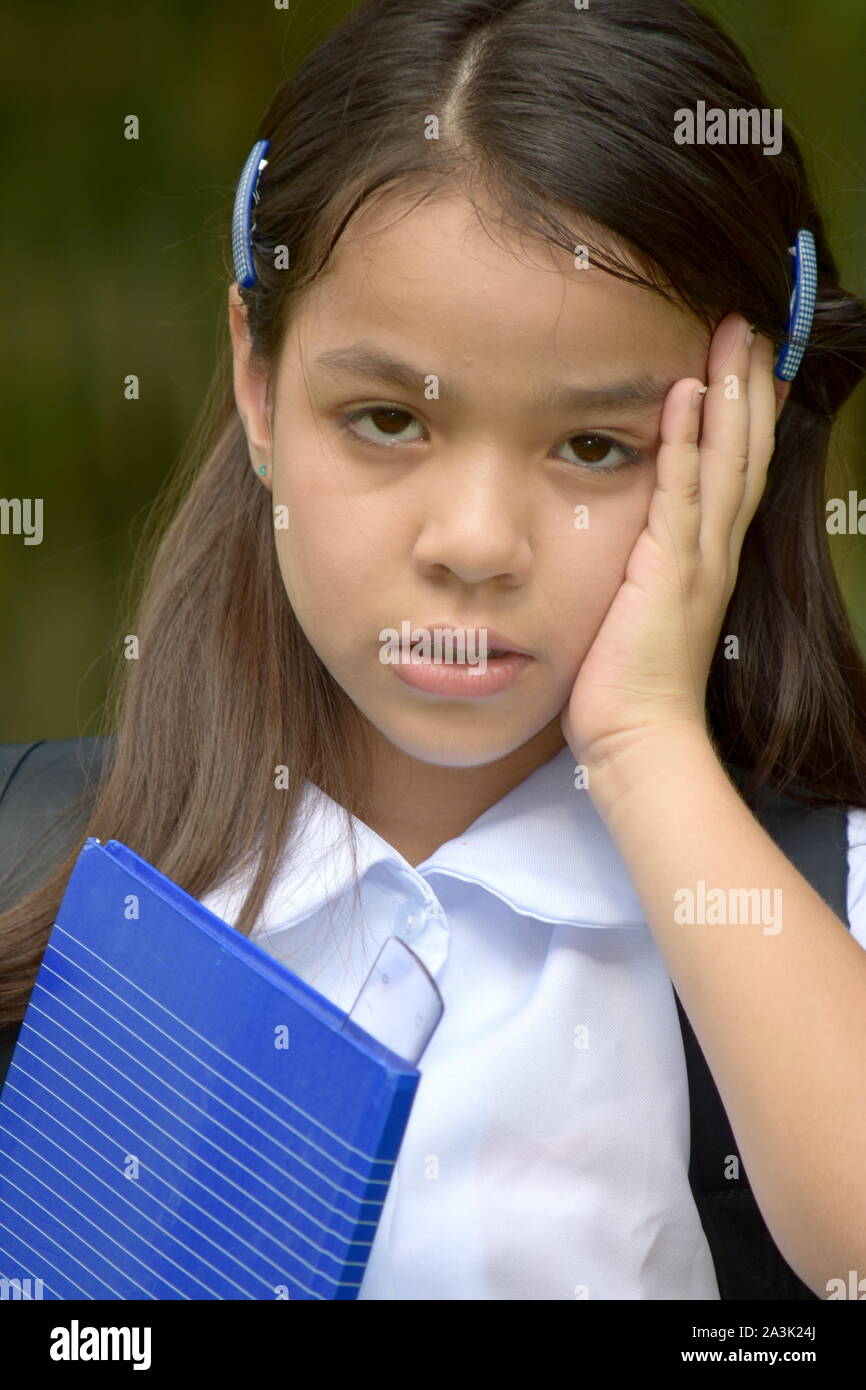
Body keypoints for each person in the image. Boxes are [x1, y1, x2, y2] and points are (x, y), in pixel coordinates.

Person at [2, 0, 866, 1300]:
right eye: (387, 417)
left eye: (593, 446)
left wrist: (644, 748)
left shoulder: (822, 903)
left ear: (735, 440)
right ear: (256, 380)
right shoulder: (26, 860)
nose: (472, 541)